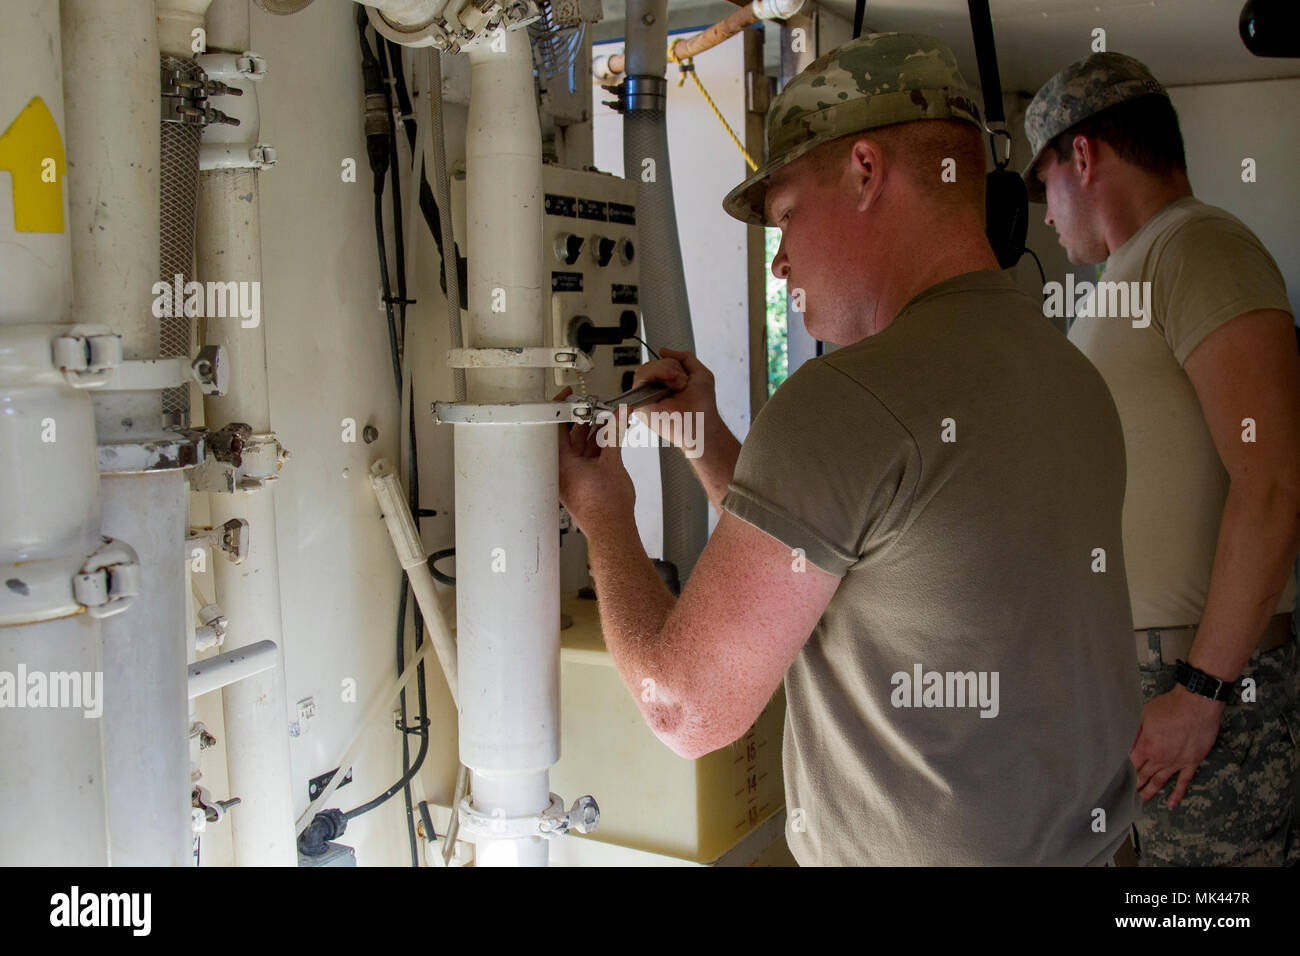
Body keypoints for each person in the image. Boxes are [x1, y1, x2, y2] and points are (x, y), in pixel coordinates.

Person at [557, 32, 1141, 865]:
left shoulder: (846, 402)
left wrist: (604, 514)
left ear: (867, 171)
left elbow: (684, 710)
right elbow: (839, 558)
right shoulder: (1066, 370)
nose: (780, 259)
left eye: (787, 215)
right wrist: (705, 438)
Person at [1023, 52, 1300, 865]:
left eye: (1043, 187)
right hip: (1148, 686)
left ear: (1082, 156)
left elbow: (1276, 479)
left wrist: (1205, 691)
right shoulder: (1126, 277)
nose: (1044, 216)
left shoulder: (1199, 246)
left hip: (1202, 689)